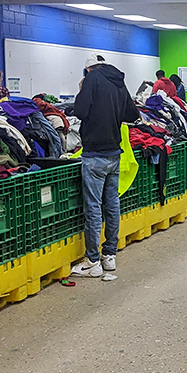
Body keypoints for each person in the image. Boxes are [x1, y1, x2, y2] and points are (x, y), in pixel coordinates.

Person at [71, 53, 138, 278]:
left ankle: (92, 261)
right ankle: (109, 256)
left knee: (93, 207)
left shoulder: (92, 79)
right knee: (112, 204)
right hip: (114, 152)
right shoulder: (118, 80)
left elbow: (79, 111)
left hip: (94, 154)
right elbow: (132, 114)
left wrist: (82, 90)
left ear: (88, 69)